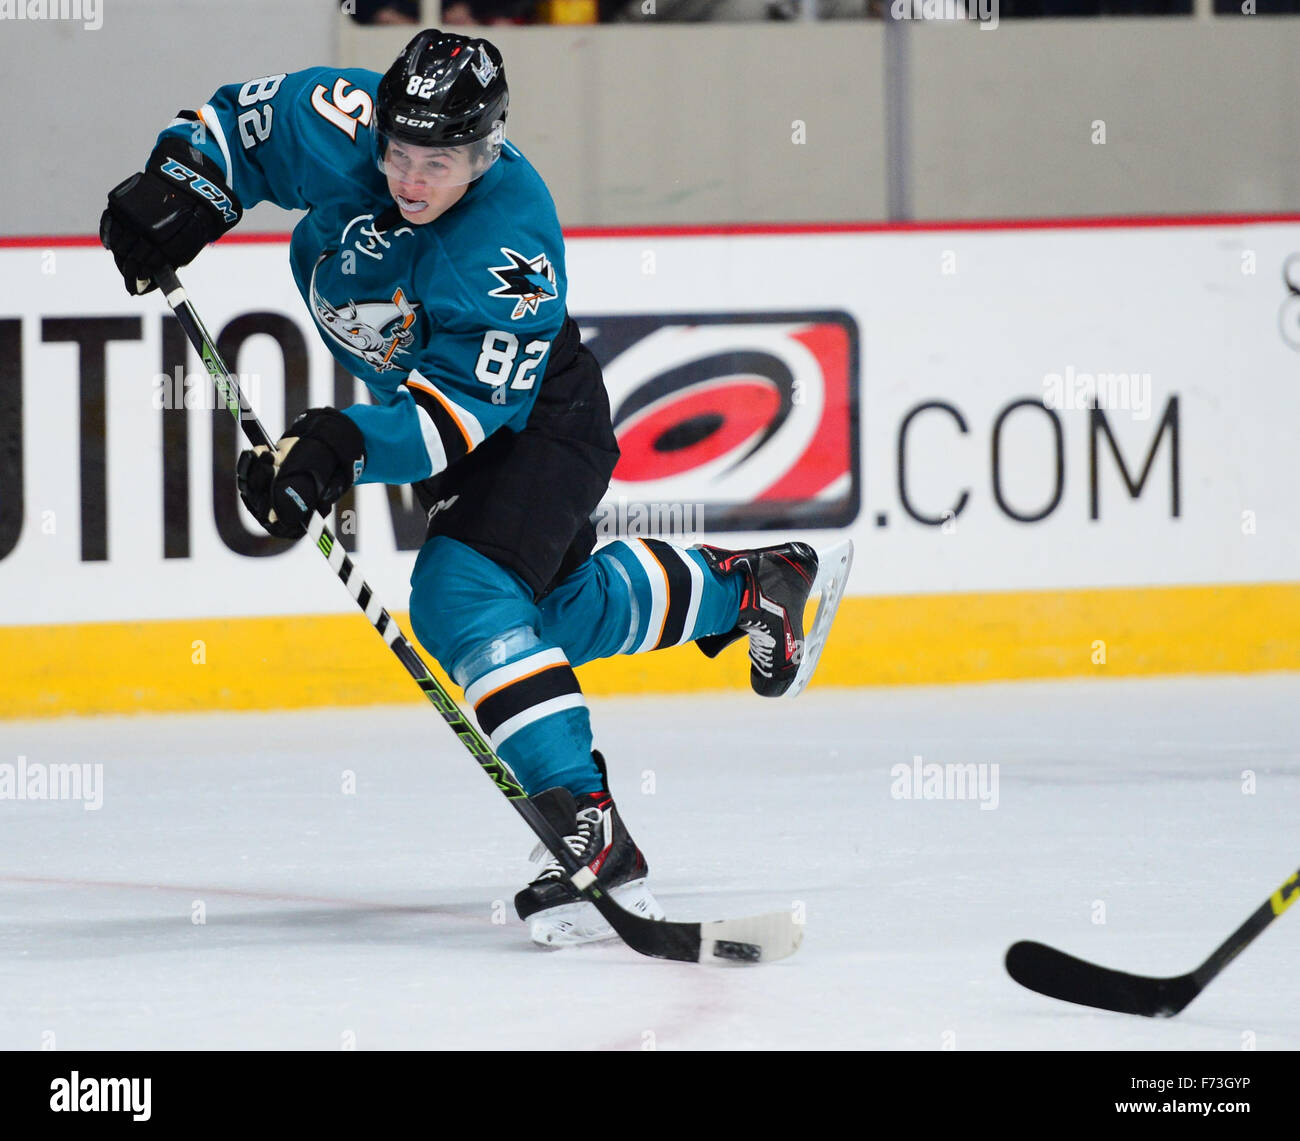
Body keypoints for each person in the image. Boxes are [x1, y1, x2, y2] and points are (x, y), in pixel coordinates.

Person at [99, 29, 852, 946]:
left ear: (485, 150)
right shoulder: (337, 119)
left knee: (461, 600)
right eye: (401, 154)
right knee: (547, 618)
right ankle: (752, 587)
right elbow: (232, 129)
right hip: (437, 415)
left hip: (535, 422)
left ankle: (589, 830)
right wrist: (179, 184)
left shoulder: (510, 247)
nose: (412, 179)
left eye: (441, 161)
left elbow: (446, 426)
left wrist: (335, 445)